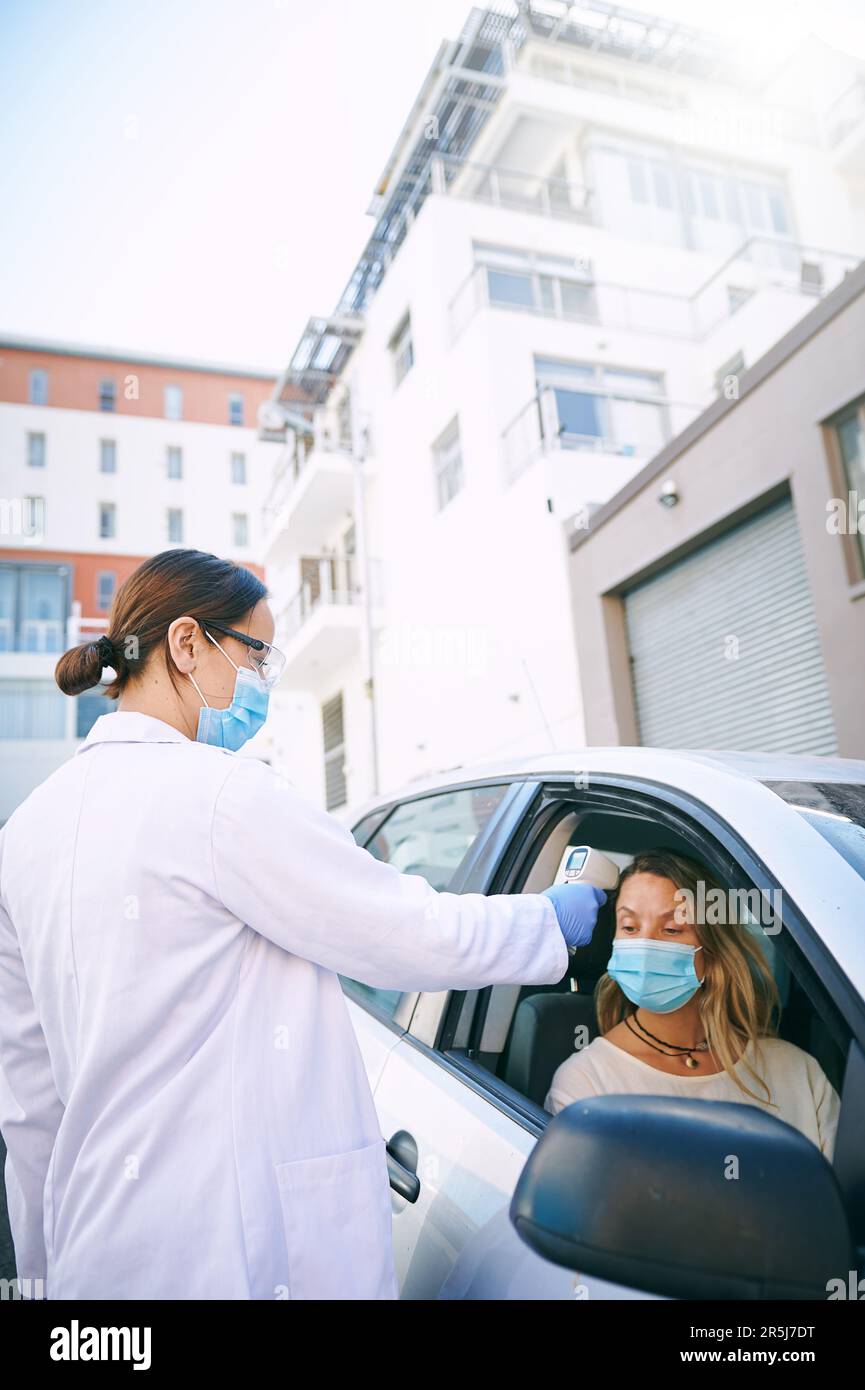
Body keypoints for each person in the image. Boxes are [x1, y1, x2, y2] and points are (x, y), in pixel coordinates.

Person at [0, 549, 603, 1301]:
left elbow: (28, 1109)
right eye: (257, 654)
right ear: (187, 644)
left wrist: (40, 1276)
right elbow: (403, 930)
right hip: (230, 1257)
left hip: (99, 1264)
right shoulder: (221, 796)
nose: (265, 683)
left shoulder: (24, 833)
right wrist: (547, 921)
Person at [545, 851, 840, 1160]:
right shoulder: (586, 1082)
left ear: (712, 953)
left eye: (671, 929)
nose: (645, 946)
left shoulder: (799, 1073)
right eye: (630, 927)